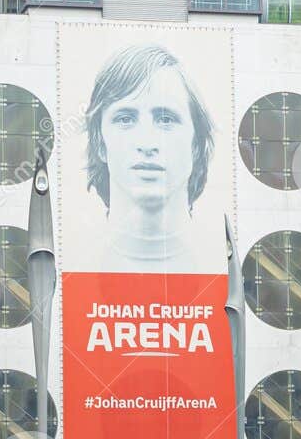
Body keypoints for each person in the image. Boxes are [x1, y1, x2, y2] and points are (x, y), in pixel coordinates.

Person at [83, 43, 216, 274]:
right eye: (125, 119)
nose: (147, 143)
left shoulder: (218, 265)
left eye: (166, 119)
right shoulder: (79, 266)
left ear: (196, 144)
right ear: (99, 142)